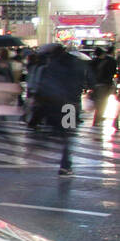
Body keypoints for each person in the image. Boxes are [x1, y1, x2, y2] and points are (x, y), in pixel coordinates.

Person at [34, 44, 90, 176]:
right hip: (69, 104)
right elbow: (86, 80)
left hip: (53, 103)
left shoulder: (51, 65)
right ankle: (65, 165)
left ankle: (41, 144)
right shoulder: (76, 64)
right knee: (67, 135)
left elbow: (44, 84)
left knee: (53, 129)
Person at [89, 45, 116, 127]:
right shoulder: (110, 61)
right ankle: (98, 118)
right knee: (103, 101)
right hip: (105, 83)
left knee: (99, 101)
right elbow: (112, 72)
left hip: (96, 83)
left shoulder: (95, 61)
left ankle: (98, 117)